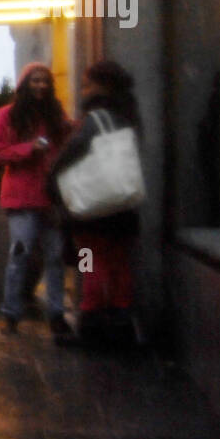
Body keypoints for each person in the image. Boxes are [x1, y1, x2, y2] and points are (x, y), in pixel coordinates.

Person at [49, 60, 143, 347]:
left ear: (102, 85)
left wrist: (51, 177)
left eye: (87, 83)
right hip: (122, 206)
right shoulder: (128, 115)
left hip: (94, 210)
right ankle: (122, 321)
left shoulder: (96, 118)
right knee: (118, 264)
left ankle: (91, 321)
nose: (83, 88)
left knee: (90, 263)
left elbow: (71, 155)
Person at [0, 62, 73, 338]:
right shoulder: (7, 115)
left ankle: (57, 315)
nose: (41, 86)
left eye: (45, 81)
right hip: (22, 198)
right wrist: (29, 149)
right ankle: (12, 315)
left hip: (50, 198)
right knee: (20, 255)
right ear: (25, 84)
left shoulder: (55, 116)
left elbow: (65, 146)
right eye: (35, 81)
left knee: (55, 257)